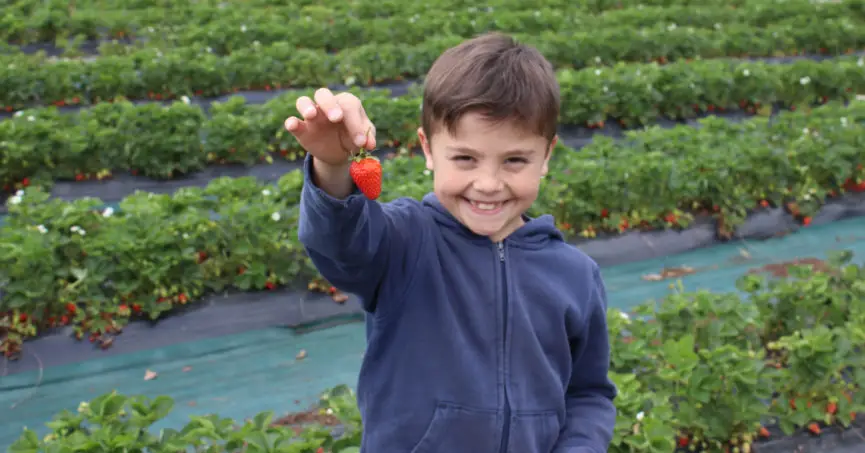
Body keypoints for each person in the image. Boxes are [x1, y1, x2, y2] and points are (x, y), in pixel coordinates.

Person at [287, 32, 617, 453]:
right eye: (465, 158)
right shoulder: (405, 243)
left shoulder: (575, 275)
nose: (488, 183)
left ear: (546, 155)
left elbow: (587, 392)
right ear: (428, 148)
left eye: (515, 160)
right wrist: (332, 166)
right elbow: (341, 245)